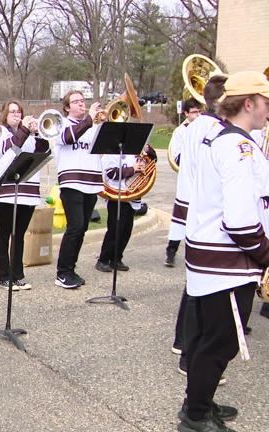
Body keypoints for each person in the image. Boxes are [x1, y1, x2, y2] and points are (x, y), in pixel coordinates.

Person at [177, 70, 269, 432]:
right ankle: (195, 417)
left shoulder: (224, 137)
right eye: (265, 103)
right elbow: (241, 221)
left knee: (204, 339)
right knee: (219, 345)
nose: (268, 111)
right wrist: (266, 255)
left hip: (211, 261)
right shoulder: (238, 146)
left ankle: (198, 401)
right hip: (226, 264)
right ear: (248, 103)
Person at [170, 76, 228, 374]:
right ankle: (187, 353)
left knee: (194, 286)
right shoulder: (213, 131)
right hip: (204, 216)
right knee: (198, 290)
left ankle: (182, 343)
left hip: (196, 213)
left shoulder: (193, 128)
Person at [0, 100, 49, 290]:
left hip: (28, 192)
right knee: (4, 234)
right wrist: (24, 130)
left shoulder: (29, 135)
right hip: (7, 193)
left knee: (19, 235)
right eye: (12, 112)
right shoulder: (0, 132)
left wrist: (38, 132)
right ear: (5, 115)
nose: (16, 115)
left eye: (19, 112)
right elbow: (9, 148)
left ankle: (17, 275)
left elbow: (44, 152)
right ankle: (3, 276)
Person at [53, 91, 103, 289]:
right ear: (67, 107)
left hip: (90, 182)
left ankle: (71, 269)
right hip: (72, 182)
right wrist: (90, 118)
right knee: (75, 227)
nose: (82, 104)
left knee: (82, 229)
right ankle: (62, 272)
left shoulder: (91, 126)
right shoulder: (60, 124)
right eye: (77, 102)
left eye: (83, 101)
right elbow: (67, 138)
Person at [94, 145, 157, 272]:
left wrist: (149, 151)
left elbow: (153, 162)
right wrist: (133, 169)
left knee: (126, 230)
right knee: (115, 230)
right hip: (117, 196)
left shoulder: (138, 152)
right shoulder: (112, 152)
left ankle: (116, 259)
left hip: (132, 197)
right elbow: (111, 173)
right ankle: (103, 260)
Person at [165, 97, 203, 267]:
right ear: (186, 113)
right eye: (194, 112)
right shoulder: (181, 131)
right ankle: (171, 251)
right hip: (188, 181)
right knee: (181, 219)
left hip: (201, 181)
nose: (198, 115)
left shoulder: (204, 129)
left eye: (200, 111)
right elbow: (176, 156)